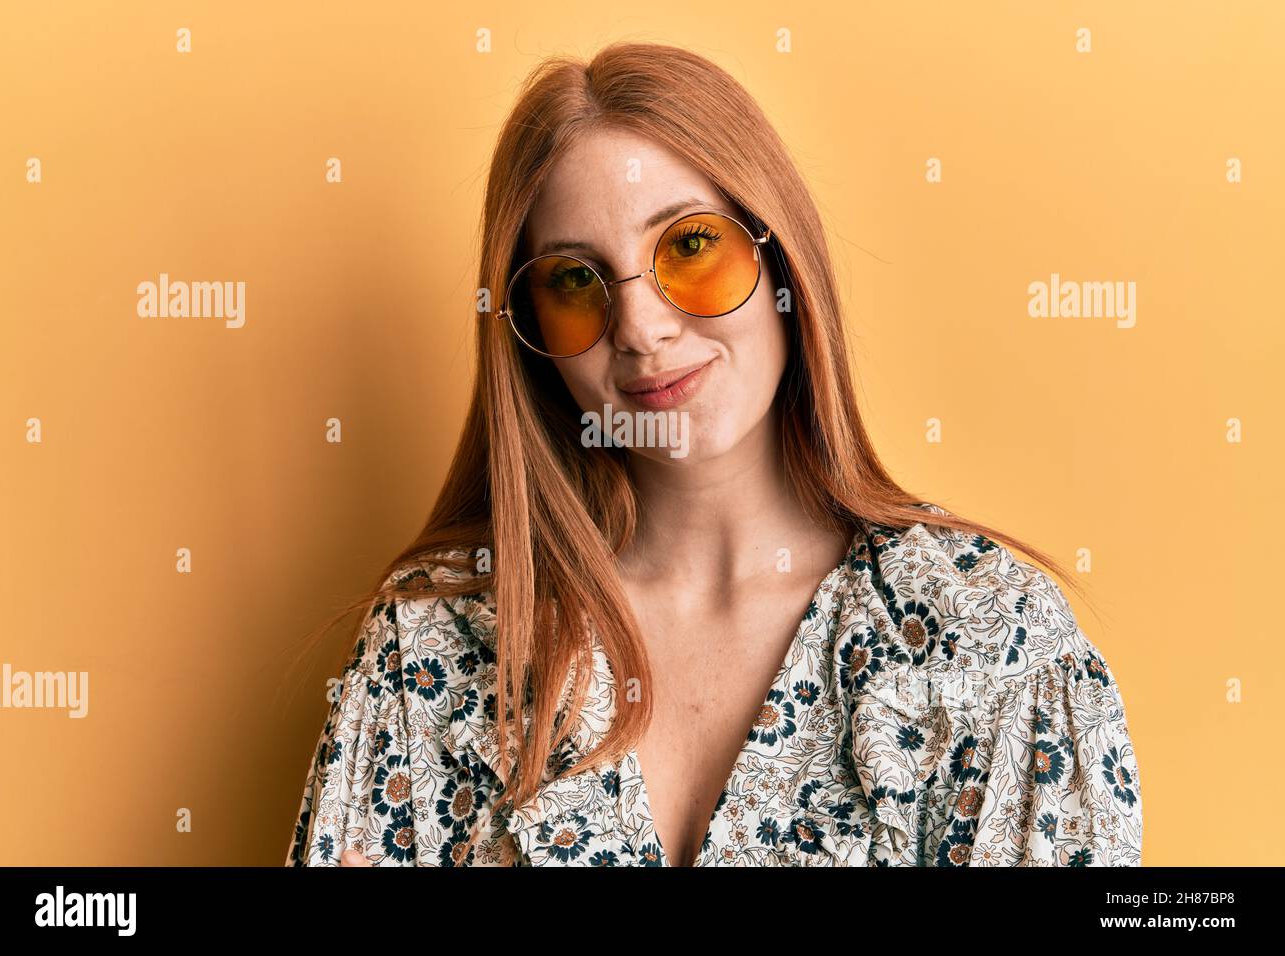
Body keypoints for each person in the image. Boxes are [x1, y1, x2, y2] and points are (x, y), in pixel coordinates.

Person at [284, 41, 1142, 867]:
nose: (643, 330)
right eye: (575, 280)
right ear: (530, 327)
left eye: (689, 245)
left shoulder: (985, 637)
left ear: (781, 258)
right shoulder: (432, 641)